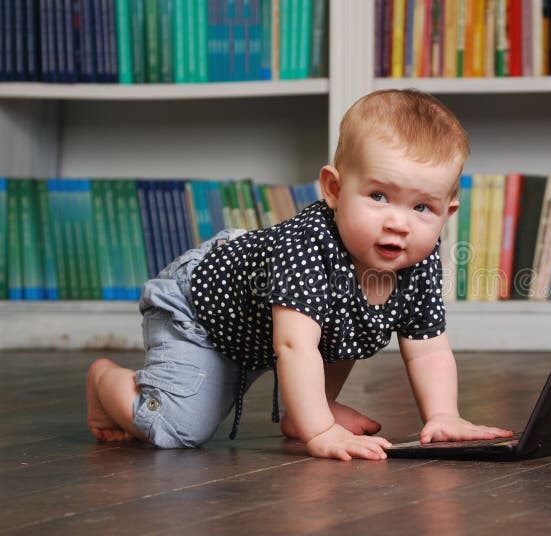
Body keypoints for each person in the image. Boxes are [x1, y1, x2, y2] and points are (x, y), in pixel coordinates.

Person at [86, 89, 513, 460]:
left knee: (355, 315)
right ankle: (106, 382)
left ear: (446, 213)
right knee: (180, 430)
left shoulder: (417, 258)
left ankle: (310, 406)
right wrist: (321, 431)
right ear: (333, 189)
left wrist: (443, 416)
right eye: (379, 196)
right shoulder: (305, 246)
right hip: (202, 313)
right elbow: (294, 347)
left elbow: (429, 351)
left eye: (422, 208)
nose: (399, 223)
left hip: (264, 324)